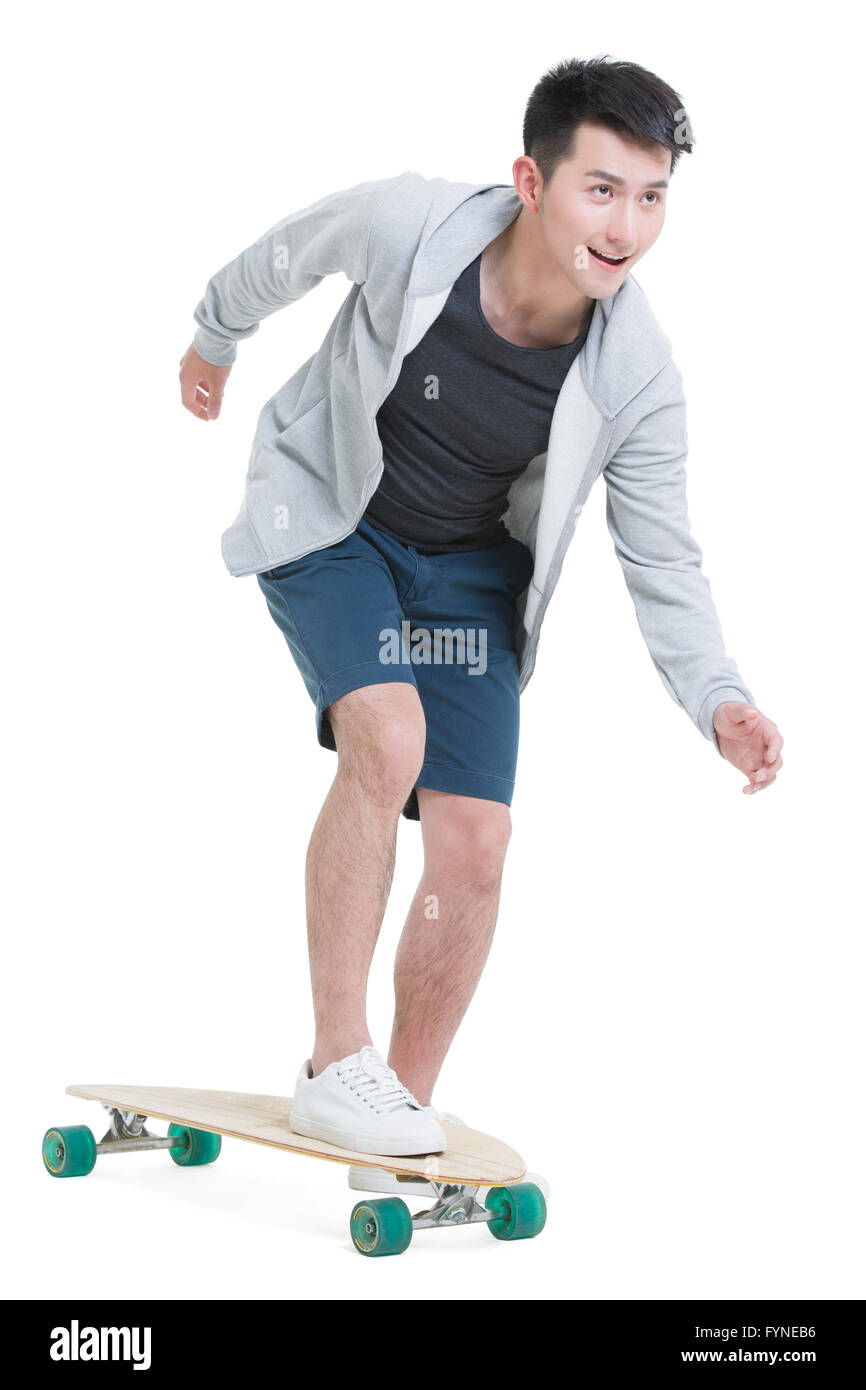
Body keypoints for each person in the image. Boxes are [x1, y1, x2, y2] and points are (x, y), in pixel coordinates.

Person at [178, 56, 784, 1184]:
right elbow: (288, 251)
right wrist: (215, 335)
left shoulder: (636, 370)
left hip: (465, 577)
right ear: (529, 180)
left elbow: (662, 554)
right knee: (387, 735)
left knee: (476, 840)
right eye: (599, 189)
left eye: (650, 197)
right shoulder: (410, 225)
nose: (627, 227)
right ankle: (333, 1063)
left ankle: (394, 1114)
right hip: (334, 519)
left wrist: (719, 697)